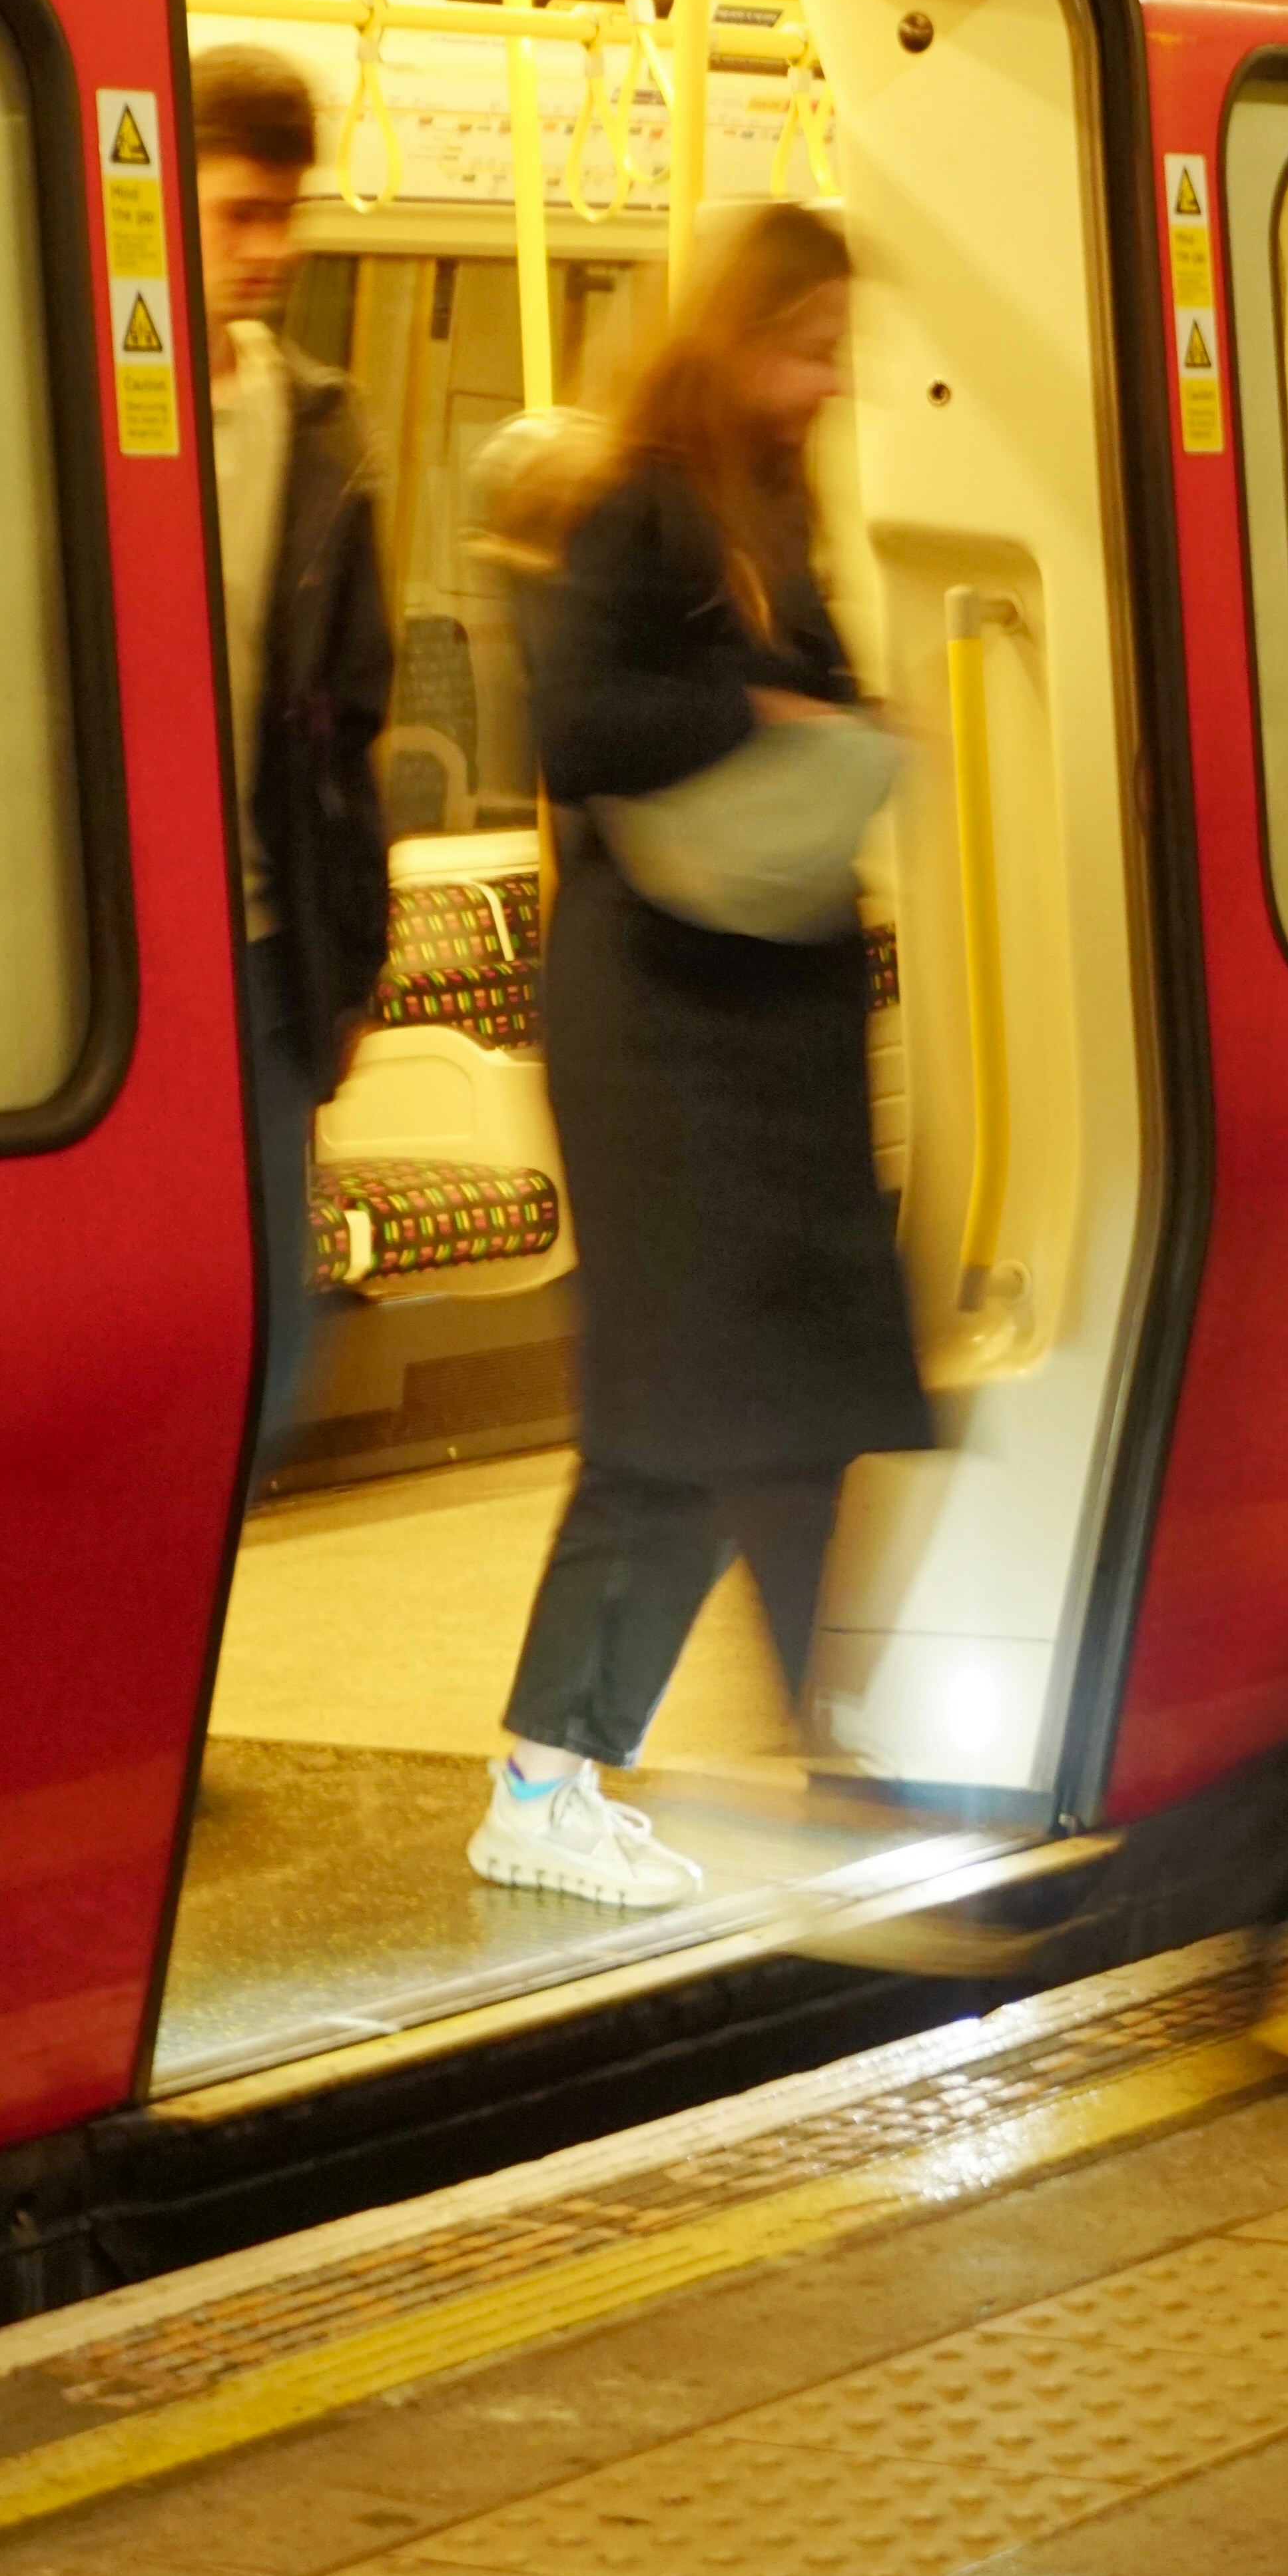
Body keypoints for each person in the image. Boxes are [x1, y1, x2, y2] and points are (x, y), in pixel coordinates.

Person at [468, 202, 930, 1913]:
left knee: (784, 1398)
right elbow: (580, 729)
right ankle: (541, 1768)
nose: (825, 382)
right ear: (738, 334)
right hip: (664, 1026)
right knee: (676, 1410)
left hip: (755, 1012)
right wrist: (777, 721)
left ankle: (829, 1734)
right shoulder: (630, 499)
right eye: (808, 345)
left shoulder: (759, 499)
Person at [194, 48, 392, 1478]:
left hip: (265, 945)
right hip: (104, 960)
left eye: (284, 216)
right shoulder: (44, 388)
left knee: (273, 1325)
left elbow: (347, 723)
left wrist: (355, 966)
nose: (266, 252)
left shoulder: (318, 425)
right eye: (235, 215)